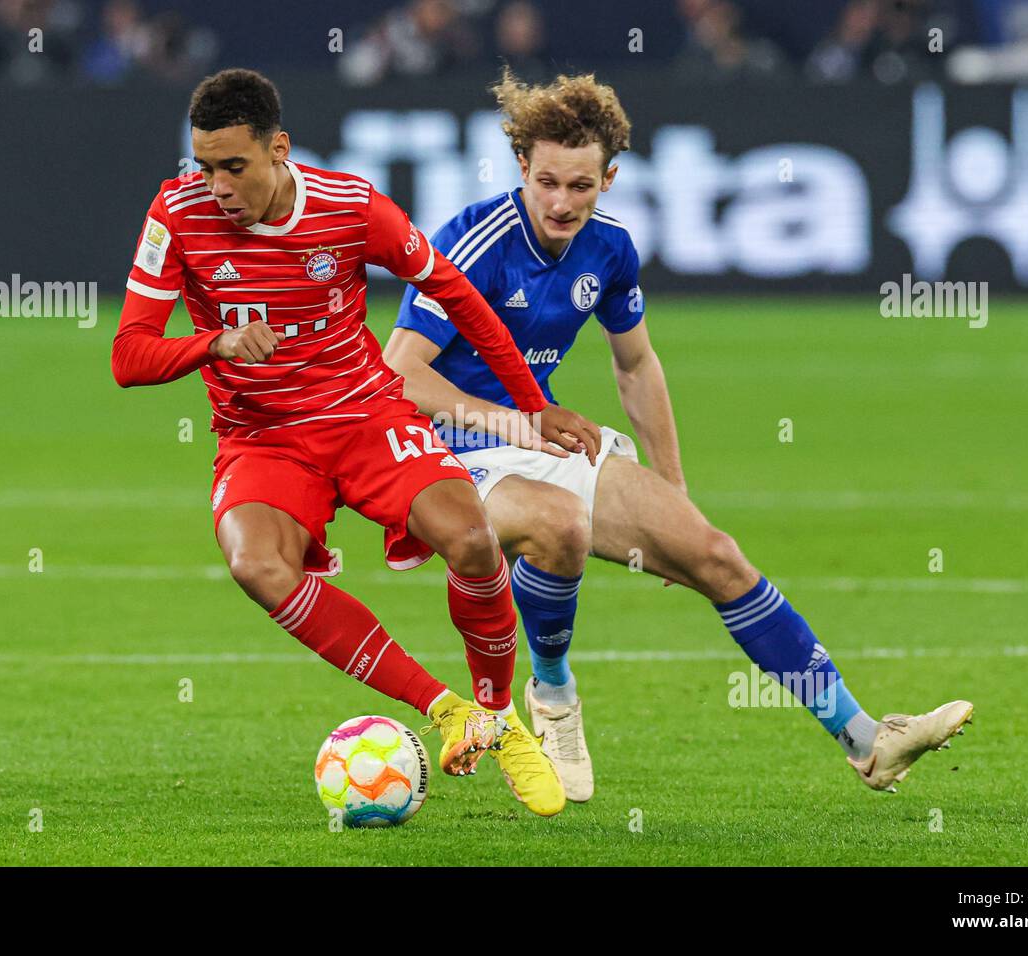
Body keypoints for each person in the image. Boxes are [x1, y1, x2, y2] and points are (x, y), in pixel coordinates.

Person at [383, 69, 973, 801]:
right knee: (560, 527)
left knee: (714, 553)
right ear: (521, 170)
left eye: (581, 185)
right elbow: (401, 376)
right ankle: (555, 695)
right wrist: (523, 421)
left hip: (543, 437)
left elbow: (635, 365)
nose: (562, 202)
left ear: (610, 178)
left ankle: (867, 740)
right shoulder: (475, 242)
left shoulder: (611, 248)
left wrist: (672, 486)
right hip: (439, 449)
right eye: (546, 182)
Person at [112, 68, 604, 816]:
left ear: (279, 148)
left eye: (233, 166)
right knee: (255, 564)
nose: (215, 185)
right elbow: (129, 357)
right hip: (263, 438)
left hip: (364, 416)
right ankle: (445, 710)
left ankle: (499, 717)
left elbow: (459, 298)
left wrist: (531, 408)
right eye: (204, 166)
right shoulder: (176, 216)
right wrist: (212, 344)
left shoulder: (349, 208)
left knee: (471, 542)